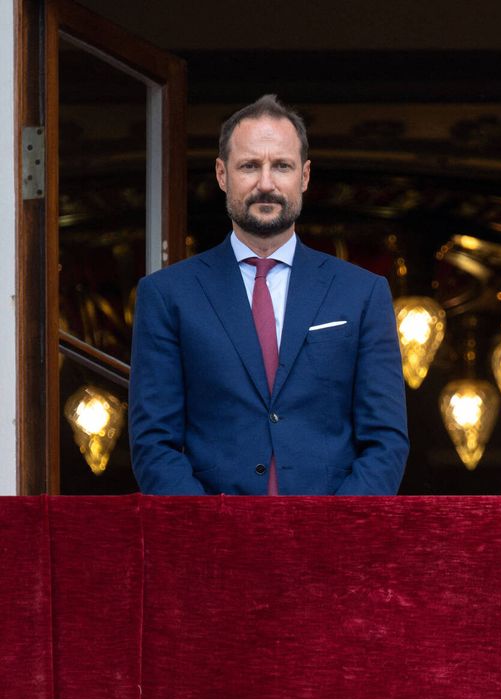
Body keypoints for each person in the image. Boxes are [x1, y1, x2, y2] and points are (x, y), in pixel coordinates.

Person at [129, 95, 409, 495]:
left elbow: (386, 441)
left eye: (281, 166)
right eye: (249, 166)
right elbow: (153, 443)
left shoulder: (363, 293)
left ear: (305, 176)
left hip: (330, 542)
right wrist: (215, 535)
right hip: (212, 544)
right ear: (222, 175)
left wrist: (335, 532)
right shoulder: (166, 295)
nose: (265, 183)